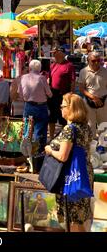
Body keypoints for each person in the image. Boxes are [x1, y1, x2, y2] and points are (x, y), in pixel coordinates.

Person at [44, 93, 93, 232]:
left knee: (71, 219)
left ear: (72, 109)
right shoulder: (85, 127)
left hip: (71, 176)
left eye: (63, 106)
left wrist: (49, 150)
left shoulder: (69, 129)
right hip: (84, 173)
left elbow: (63, 156)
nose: (60, 108)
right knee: (80, 217)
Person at [18, 59, 52, 151]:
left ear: (29, 68)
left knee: (27, 129)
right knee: (40, 131)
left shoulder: (23, 78)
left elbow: (20, 94)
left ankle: (25, 151)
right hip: (41, 106)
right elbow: (50, 94)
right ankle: (38, 152)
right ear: (40, 68)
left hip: (28, 105)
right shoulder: (42, 78)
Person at [48, 46, 76, 139]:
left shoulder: (69, 65)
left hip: (63, 95)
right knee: (52, 117)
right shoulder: (53, 65)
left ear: (61, 53)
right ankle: (51, 137)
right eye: (53, 53)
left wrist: (70, 95)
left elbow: (72, 81)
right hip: (53, 94)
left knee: (63, 118)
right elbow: (50, 79)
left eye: (55, 53)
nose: (53, 55)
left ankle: (64, 138)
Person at [78, 51, 107, 138]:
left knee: (104, 126)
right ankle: (92, 147)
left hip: (104, 102)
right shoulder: (83, 72)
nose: (96, 62)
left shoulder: (105, 71)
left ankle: (103, 147)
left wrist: (101, 99)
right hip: (89, 102)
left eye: (98, 60)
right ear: (88, 60)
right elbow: (81, 89)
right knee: (90, 126)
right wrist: (93, 98)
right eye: (93, 61)